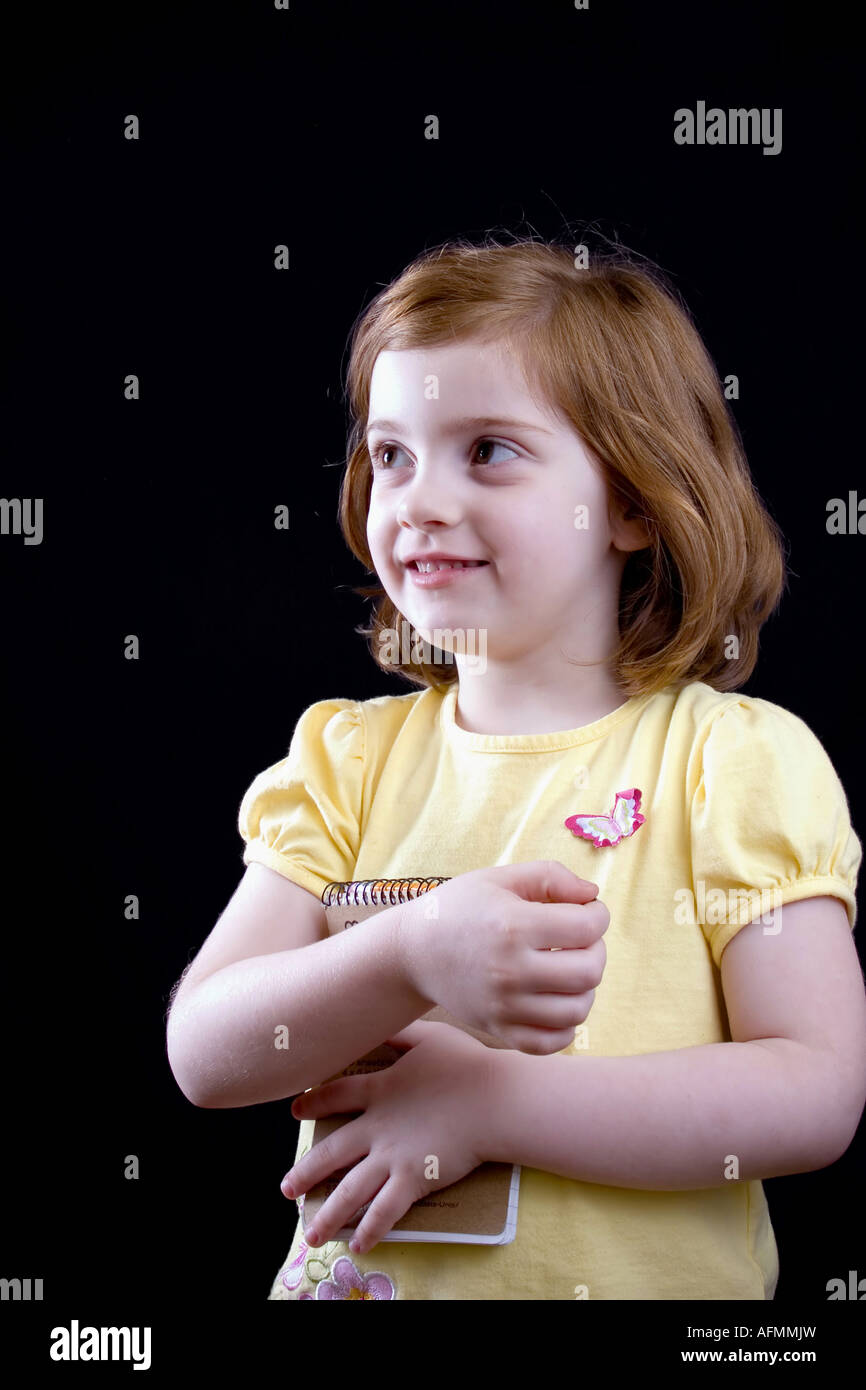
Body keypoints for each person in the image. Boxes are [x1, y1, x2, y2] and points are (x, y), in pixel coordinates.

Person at [167, 236, 865, 1300]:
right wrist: (406, 952)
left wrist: (490, 1103)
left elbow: (810, 1090)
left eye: (486, 449)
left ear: (630, 501)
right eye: (392, 454)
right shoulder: (350, 761)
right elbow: (209, 1052)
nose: (418, 500)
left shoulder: (725, 761)